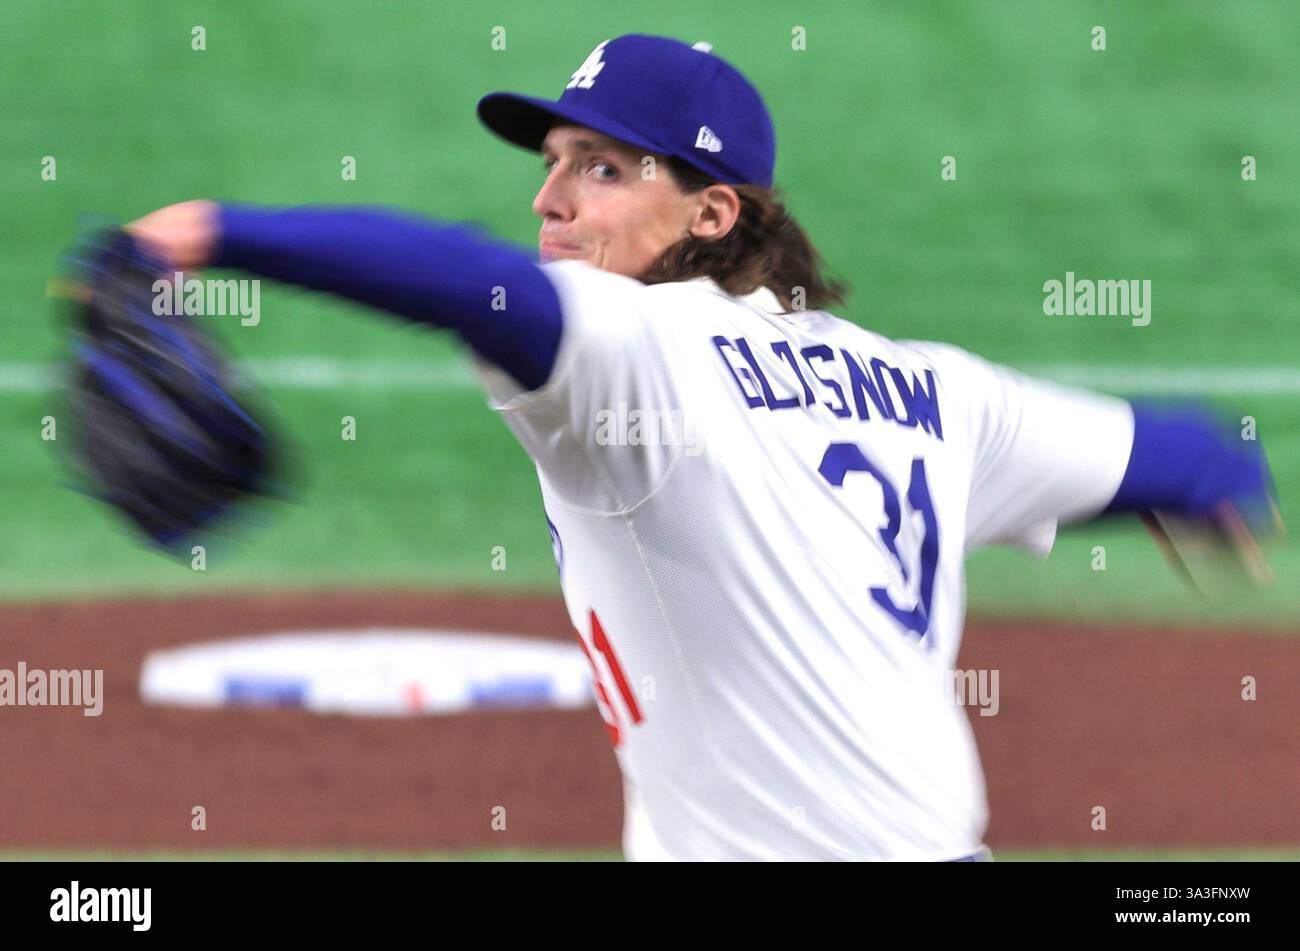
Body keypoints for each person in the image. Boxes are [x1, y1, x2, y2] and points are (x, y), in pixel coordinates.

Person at [125, 34, 1276, 860]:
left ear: (713, 214)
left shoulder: (640, 344)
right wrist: (1213, 491)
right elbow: (1178, 456)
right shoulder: (935, 389)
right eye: (552, 162)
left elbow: (458, 279)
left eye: (602, 168)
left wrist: (211, 232)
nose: (550, 200)